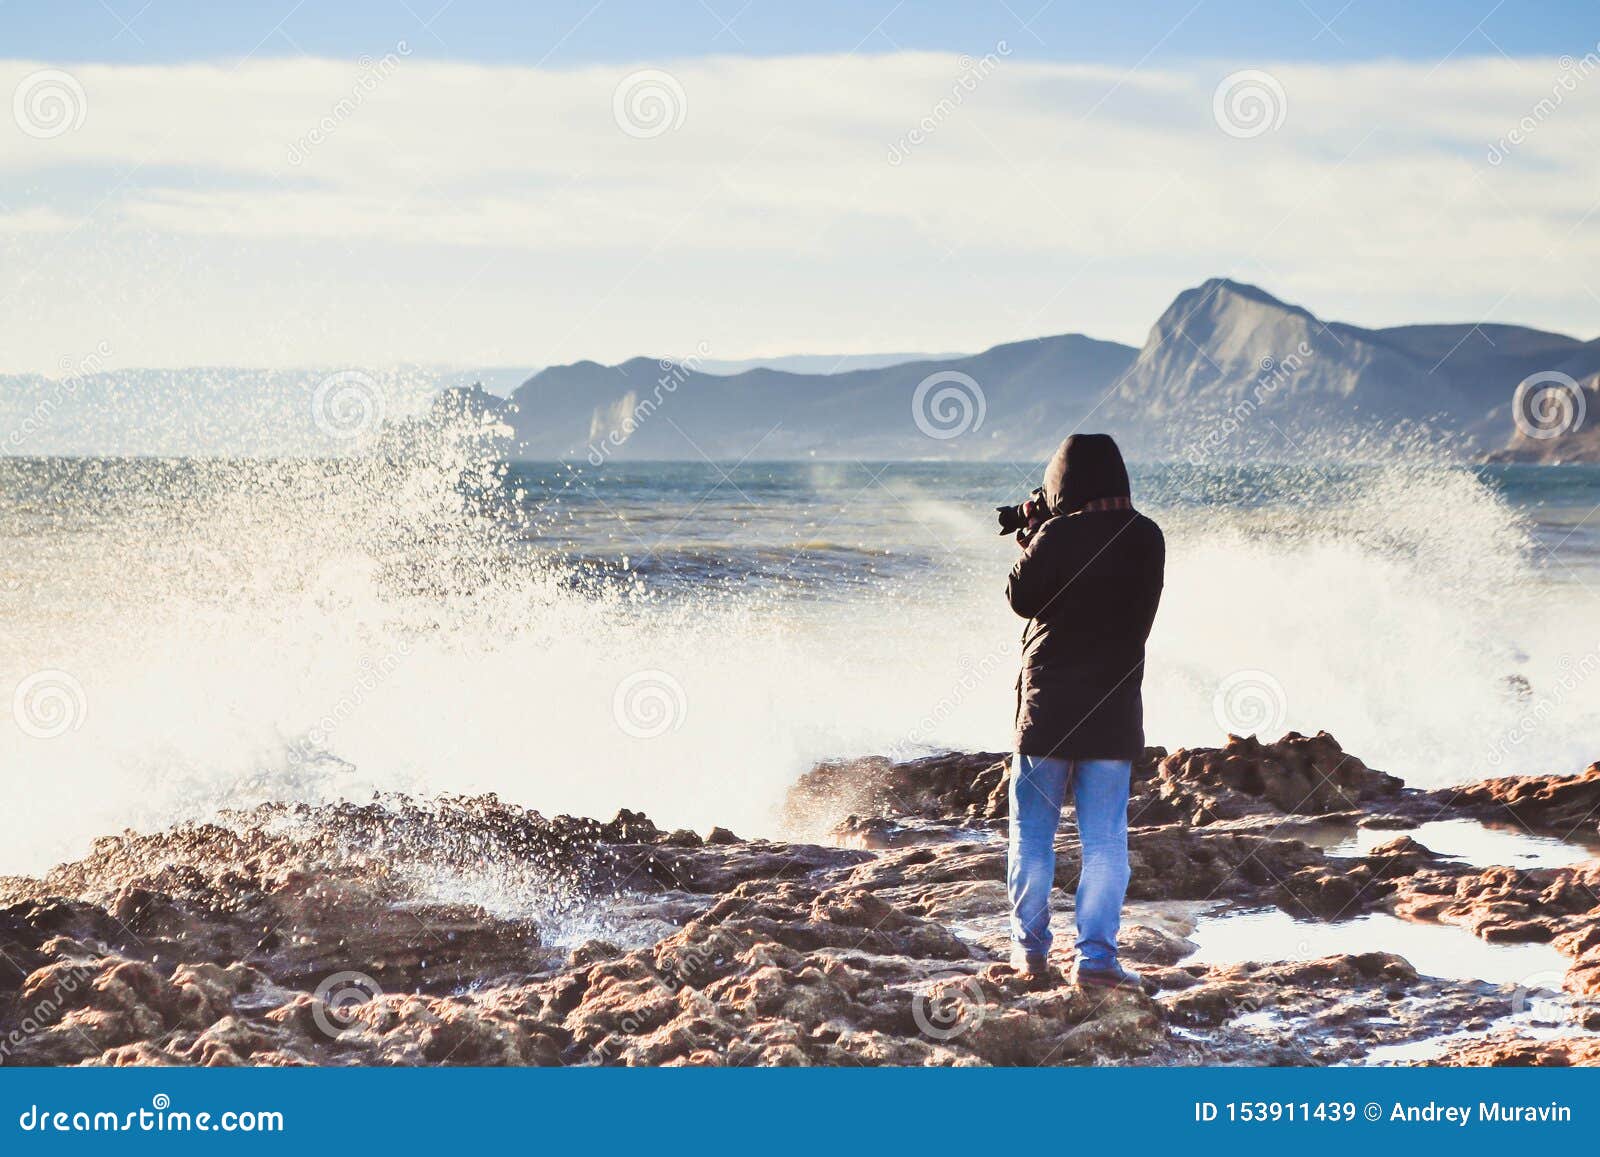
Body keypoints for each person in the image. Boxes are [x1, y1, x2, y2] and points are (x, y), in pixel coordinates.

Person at [1005, 433, 1164, 991]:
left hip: (1046, 712)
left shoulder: (1056, 533)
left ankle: (1031, 955)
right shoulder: (1147, 537)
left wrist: (1034, 534)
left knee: (1032, 838)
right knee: (1104, 842)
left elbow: (1022, 597)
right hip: (1114, 711)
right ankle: (1096, 961)